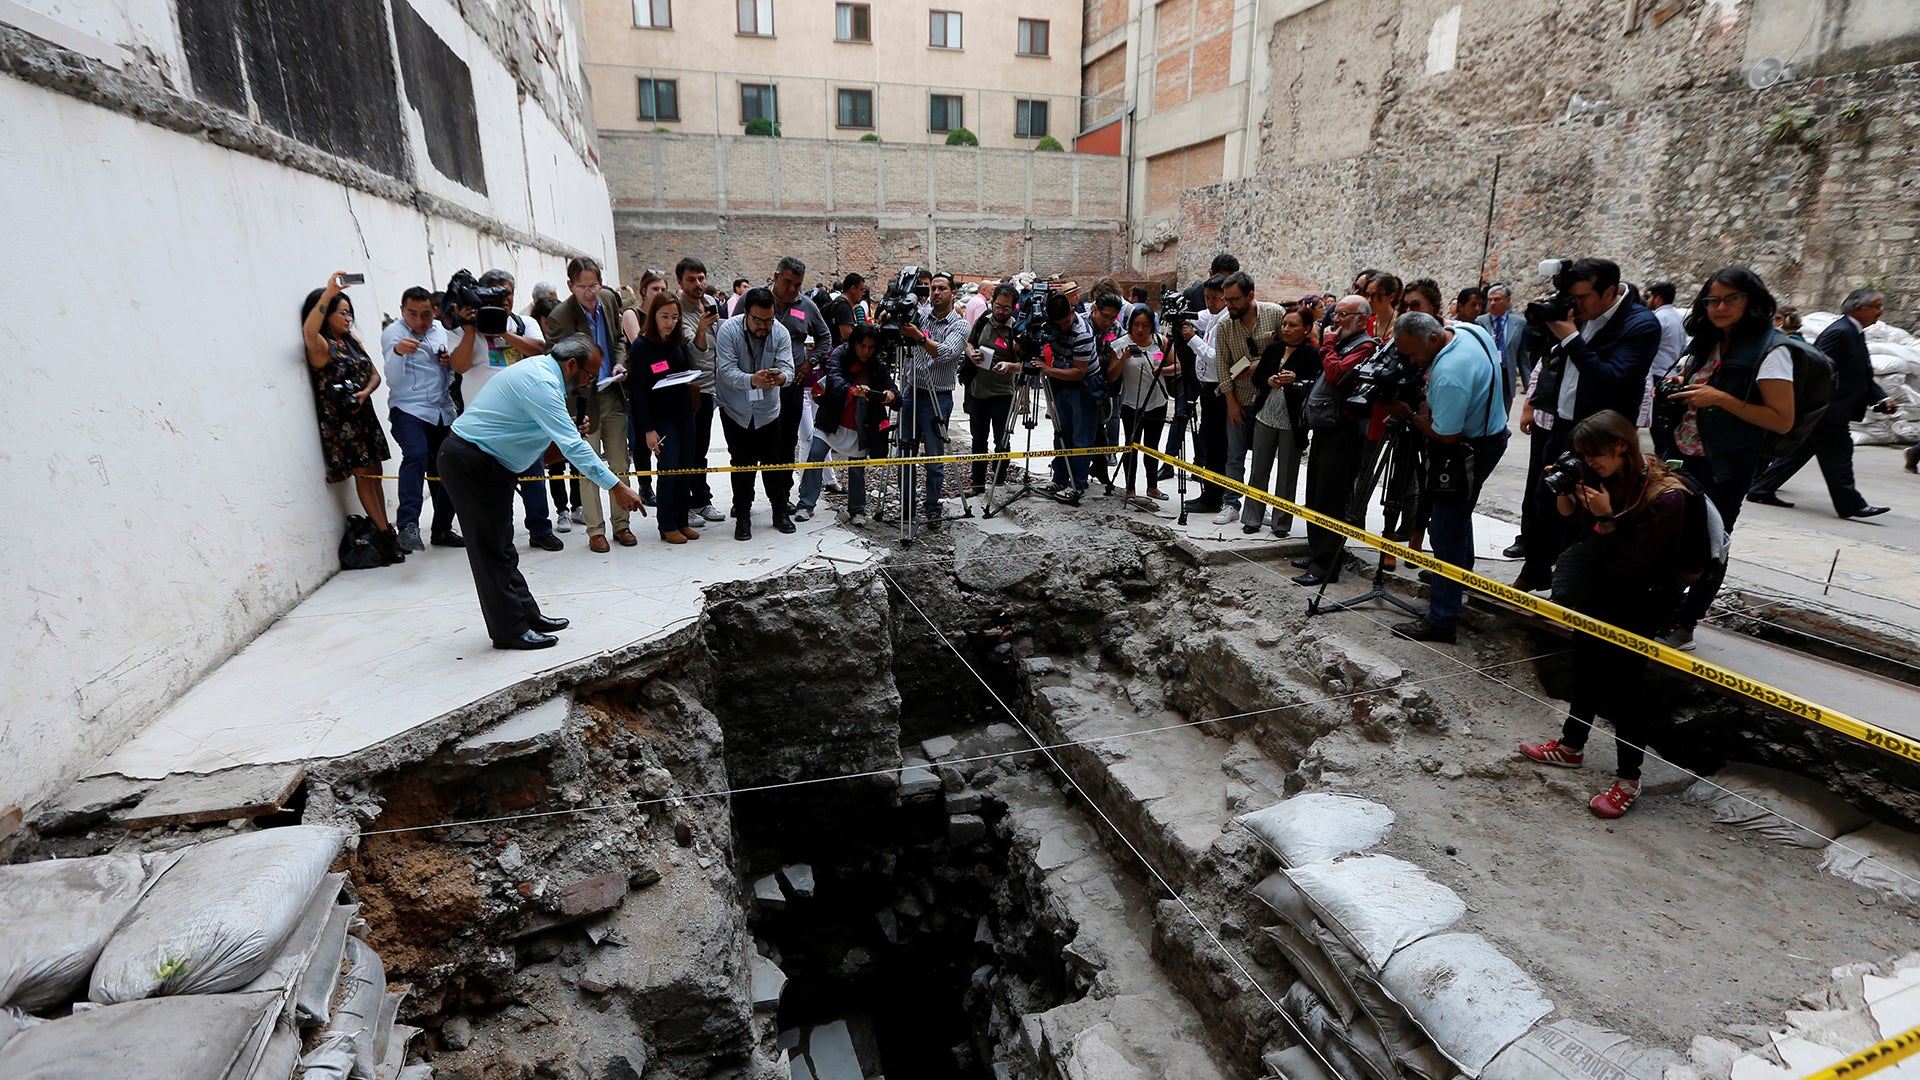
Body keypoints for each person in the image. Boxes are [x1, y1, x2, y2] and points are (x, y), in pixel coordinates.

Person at [1518, 409, 1688, 818]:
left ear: (1621, 446)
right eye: (1582, 456)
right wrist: (1568, 495)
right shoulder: (1604, 475)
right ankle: (1571, 746)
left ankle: (1629, 778)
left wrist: (1607, 517)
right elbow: (1575, 527)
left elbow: (1638, 560)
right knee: (1585, 668)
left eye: (1594, 455)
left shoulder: (1668, 496)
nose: (1589, 463)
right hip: (1600, 589)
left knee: (1627, 690)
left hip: (1644, 598)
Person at [439, 334, 645, 650]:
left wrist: (568, 436)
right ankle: (509, 631)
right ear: (572, 364)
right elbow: (574, 447)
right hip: (471, 461)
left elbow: (549, 449)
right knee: (490, 552)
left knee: (502, 547)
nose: (591, 382)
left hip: (489, 464)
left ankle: (525, 616)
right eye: (590, 374)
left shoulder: (544, 377)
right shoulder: (541, 383)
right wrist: (616, 486)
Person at [1656, 266, 1798, 650]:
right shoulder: (1705, 341)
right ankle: (1660, 609)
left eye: (1731, 298)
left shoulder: (1772, 349)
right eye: (1713, 300)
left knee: (1710, 543)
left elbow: (1782, 419)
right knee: (1666, 534)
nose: (1720, 307)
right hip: (1680, 454)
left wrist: (1721, 399)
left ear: (1751, 301)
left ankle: (1685, 621)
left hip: (1724, 465)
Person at [1513, 258, 1662, 593]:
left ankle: (1570, 587)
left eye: (1582, 298)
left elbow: (1614, 379)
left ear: (1608, 291)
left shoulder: (1641, 324)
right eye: (1573, 298)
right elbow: (1545, 357)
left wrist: (1571, 338)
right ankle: (1536, 569)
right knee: (1545, 499)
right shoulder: (1578, 313)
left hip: (1602, 437)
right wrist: (1547, 325)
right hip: (1562, 425)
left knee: (1584, 510)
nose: (1576, 305)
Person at [1382, 313, 1509, 643]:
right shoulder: (1466, 330)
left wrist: (1407, 413)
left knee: (1445, 527)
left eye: (1412, 355)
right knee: (1458, 514)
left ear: (1434, 340)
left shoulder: (1449, 374)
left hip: (1468, 448)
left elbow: (1446, 435)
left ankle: (1441, 619)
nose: (1409, 362)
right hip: (1491, 433)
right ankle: (1457, 577)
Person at [1747, 288, 1895, 520]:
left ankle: (1761, 488)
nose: (1880, 311)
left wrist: (1880, 398)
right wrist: (1818, 402)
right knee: (1839, 454)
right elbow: (1818, 367)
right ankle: (1850, 504)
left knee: (1800, 450)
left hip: (1831, 410)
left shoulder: (1854, 333)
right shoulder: (1840, 332)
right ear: (1859, 308)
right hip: (1828, 410)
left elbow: (1859, 374)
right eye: (1876, 306)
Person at [448, 269, 561, 551]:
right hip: (483, 424)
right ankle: (501, 533)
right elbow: (459, 366)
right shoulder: (461, 329)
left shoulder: (524, 323)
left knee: (534, 475)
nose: (502, 300)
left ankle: (540, 528)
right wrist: (472, 329)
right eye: (493, 293)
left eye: (506, 293)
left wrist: (504, 332)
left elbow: (540, 350)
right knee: (494, 486)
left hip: (523, 419)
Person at [302, 272, 400, 562]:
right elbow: (309, 332)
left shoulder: (352, 341)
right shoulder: (321, 346)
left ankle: (385, 528)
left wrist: (364, 392)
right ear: (326, 314)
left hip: (363, 414)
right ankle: (385, 535)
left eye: (349, 313)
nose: (348, 318)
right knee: (364, 477)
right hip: (343, 424)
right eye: (342, 312)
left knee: (376, 475)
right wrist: (328, 293)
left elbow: (373, 374)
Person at [546, 257, 634, 553]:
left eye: (594, 285)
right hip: (582, 401)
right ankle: (596, 530)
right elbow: (558, 364)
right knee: (588, 465)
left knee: (620, 462)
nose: (589, 293)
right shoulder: (561, 316)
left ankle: (622, 525)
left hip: (613, 392)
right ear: (570, 285)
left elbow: (619, 340)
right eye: (582, 287)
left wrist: (620, 364)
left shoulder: (609, 300)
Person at [1293, 295, 1380, 586]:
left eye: (1343, 314)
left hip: (1344, 432)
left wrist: (1327, 344)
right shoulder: (1341, 343)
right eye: (1335, 313)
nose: (1335, 319)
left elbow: (1337, 374)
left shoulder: (1365, 346)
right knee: (1315, 493)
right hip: (1324, 428)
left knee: (1332, 498)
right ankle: (1316, 551)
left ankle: (1326, 565)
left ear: (1361, 319)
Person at [381, 285, 464, 552]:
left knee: (451, 465)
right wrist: (397, 354)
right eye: (413, 314)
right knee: (416, 454)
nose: (420, 320)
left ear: (434, 312)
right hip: (409, 409)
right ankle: (407, 525)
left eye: (426, 314)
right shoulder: (393, 334)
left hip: (442, 410)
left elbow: (455, 371)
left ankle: (441, 528)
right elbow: (392, 380)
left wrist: (448, 362)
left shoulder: (442, 331)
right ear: (402, 311)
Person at [797, 324, 899, 526]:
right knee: (815, 454)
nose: (866, 351)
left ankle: (857, 510)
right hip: (832, 419)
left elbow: (893, 389)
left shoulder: (877, 364)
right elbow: (834, 380)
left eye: (871, 347)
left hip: (860, 424)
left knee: (856, 468)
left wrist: (891, 396)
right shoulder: (840, 355)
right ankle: (805, 504)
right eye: (862, 346)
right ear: (854, 344)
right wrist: (853, 391)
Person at [715, 287, 796, 539]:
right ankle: (742, 516)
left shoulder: (780, 333)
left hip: (768, 412)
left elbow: (789, 369)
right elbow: (725, 371)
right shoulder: (728, 331)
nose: (764, 326)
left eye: (768, 320)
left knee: (774, 462)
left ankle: (780, 512)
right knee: (741, 464)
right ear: (746, 314)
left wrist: (781, 377)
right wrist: (752, 380)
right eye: (758, 320)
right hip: (735, 409)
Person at [627, 292, 703, 544]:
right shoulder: (641, 346)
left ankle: (682, 519)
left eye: (674, 317)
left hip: (683, 413)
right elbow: (638, 393)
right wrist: (648, 429)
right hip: (661, 417)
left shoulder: (677, 341)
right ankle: (667, 524)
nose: (669, 322)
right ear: (653, 316)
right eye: (664, 316)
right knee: (669, 469)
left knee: (685, 467)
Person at [1214, 272, 1288, 527]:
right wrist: (1231, 403)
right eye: (1226, 300)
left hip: (1270, 400)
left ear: (1251, 295)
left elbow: (1286, 350)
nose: (1229, 305)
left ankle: (1258, 505)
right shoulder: (1224, 325)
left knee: (1262, 458)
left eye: (1234, 300)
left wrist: (1260, 365)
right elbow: (1222, 367)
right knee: (1234, 454)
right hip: (1239, 397)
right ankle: (1231, 502)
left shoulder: (1275, 315)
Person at [897, 271, 971, 526]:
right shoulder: (919, 316)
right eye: (933, 289)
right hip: (911, 392)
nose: (936, 293)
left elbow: (947, 352)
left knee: (933, 456)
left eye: (942, 288)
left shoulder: (959, 324)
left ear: (952, 293)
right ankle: (907, 505)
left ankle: (932, 507)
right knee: (905, 453)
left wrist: (919, 336)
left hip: (937, 398)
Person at [1243, 308, 1320, 537]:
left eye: (1293, 325)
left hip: (1292, 421)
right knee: (1258, 469)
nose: (1286, 329)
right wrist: (1267, 380)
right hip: (1265, 415)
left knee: (1287, 474)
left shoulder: (1312, 354)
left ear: (1306, 328)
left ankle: (1281, 523)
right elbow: (1256, 378)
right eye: (1284, 324)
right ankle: (1252, 518)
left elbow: (1316, 386)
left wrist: (1298, 380)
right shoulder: (1273, 348)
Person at [1112, 305, 1179, 505]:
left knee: (1152, 445)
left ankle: (1152, 486)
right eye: (1136, 325)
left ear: (1152, 326)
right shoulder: (1120, 344)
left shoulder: (1161, 341)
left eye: (1145, 325)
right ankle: (1130, 489)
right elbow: (1111, 375)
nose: (1140, 330)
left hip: (1157, 402)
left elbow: (1178, 365)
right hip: (1131, 404)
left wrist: (1163, 371)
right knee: (1131, 446)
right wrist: (1123, 359)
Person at [1039, 290, 1098, 505]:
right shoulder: (1050, 326)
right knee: (1061, 433)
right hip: (1061, 385)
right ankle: (1060, 478)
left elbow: (1079, 371)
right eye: (1058, 323)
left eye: (1066, 321)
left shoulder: (1081, 333)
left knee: (1081, 439)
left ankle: (1077, 484)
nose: (1063, 326)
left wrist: (1048, 370)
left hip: (1083, 386)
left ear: (1073, 311)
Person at [964, 283, 1023, 495]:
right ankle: (977, 484)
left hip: (1002, 394)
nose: (1000, 312)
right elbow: (969, 343)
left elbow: (1024, 365)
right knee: (978, 440)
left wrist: (1009, 366)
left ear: (1013, 308)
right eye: (998, 306)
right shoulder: (983, 320)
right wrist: (972, 354)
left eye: (1006, 308)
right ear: (992, 302)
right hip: (977, 391)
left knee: (1002, 441)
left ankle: (999, 483)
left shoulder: (1016, 329)